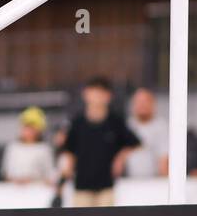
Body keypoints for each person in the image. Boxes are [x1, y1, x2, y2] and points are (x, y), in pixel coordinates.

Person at [59, 78, 140, 207]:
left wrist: (120, 158)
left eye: (101, 93)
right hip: (82, 187)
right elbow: (69, 150)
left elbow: (134, 143)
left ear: (109, 96)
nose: (97, 97)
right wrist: (65, 173)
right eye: (94, 92)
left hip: (107, 187)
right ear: (86, 94)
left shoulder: (115, 122)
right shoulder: (77, 123)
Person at [2, 107, 57, 185]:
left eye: (32, 128)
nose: (28, 131)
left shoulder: (44, 149)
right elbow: (6, 173)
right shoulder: (13, 148)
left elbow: (50, 176)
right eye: (26, 126)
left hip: (37, 192)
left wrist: (32, 181)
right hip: (14, 193)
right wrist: (17, 181)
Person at [124, 87, 168, 178]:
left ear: (153, 104)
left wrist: (164, 183)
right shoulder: (127, 126)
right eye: (138, 102)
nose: (142, 105)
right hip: (128, 183)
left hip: (154, 183)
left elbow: (164, 160)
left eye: (145, 101)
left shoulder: (162, 127)